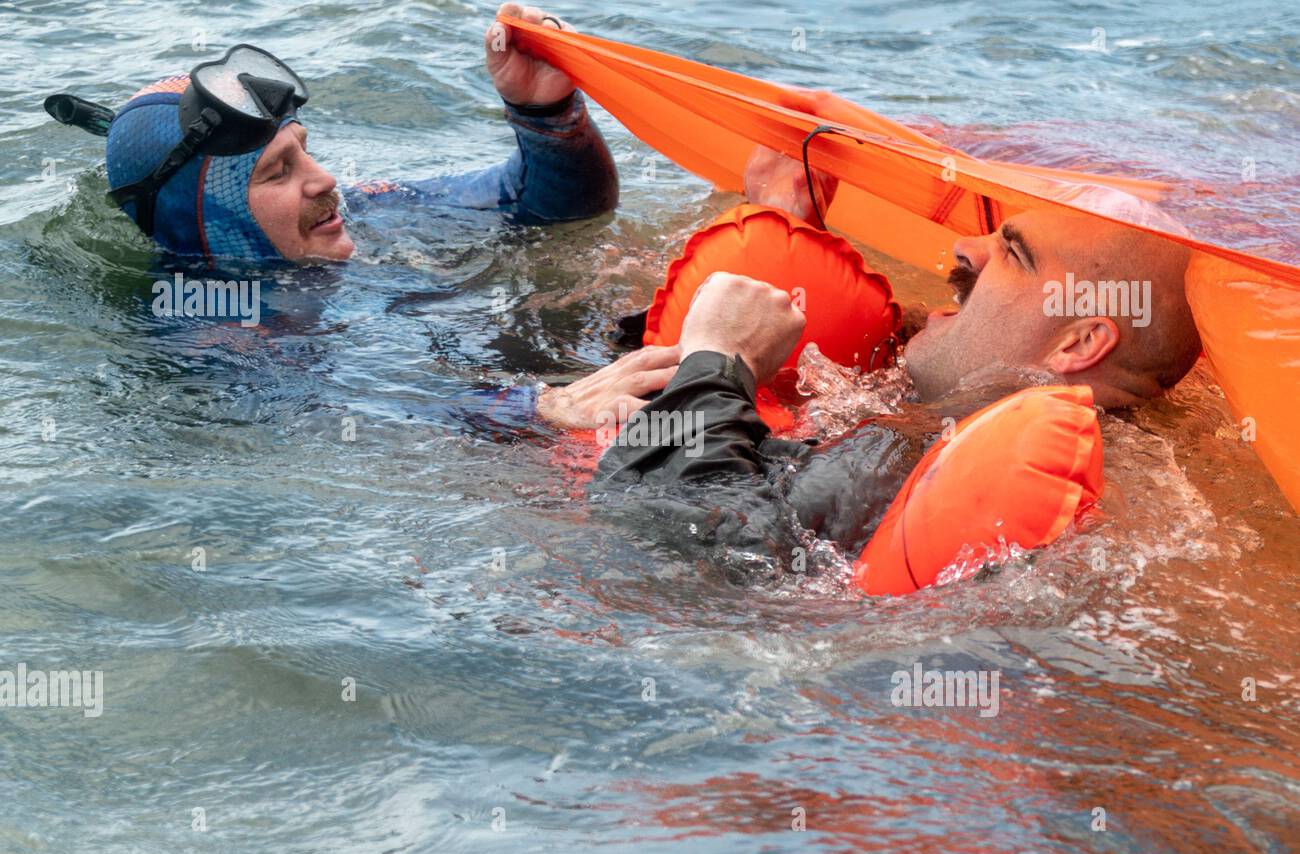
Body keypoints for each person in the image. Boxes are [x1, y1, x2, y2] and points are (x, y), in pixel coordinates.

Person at [540, 189, 1202, 566]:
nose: (966, 249)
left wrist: (720, 356)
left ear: (1081, 340)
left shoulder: (930, 445)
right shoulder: (1106, 450)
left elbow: (683, 543)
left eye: (1014, 252)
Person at [44, 5, 617, 266]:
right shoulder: (218, 334)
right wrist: (534, 406)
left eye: (303, 152)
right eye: (278, 170)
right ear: (213, 216)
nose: (326, 180)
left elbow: (548, 207)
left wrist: (545, 115)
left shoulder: (365, 213)